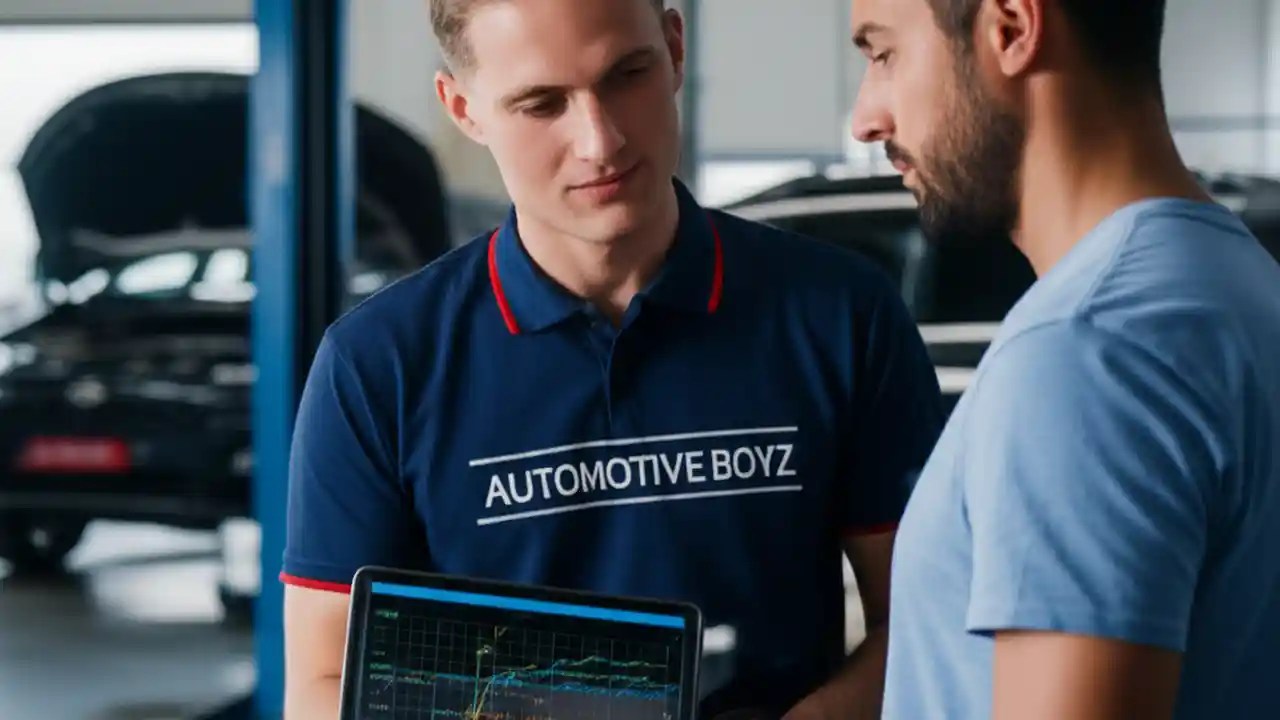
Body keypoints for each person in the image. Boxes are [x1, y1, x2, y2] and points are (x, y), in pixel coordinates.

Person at [281, 0, 944, 718]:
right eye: (541, 104)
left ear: (674, 46)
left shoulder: (841, 315)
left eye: (627, 75)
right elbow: (324, 680)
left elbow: (927, 622)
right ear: (464, 107)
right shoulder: (379, 365)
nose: (600, 141)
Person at [846, 0, 1280, 718]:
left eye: (884, 54)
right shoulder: (1244, 287)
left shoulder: (1084, 354)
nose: (866, 117)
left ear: (1012, 27)